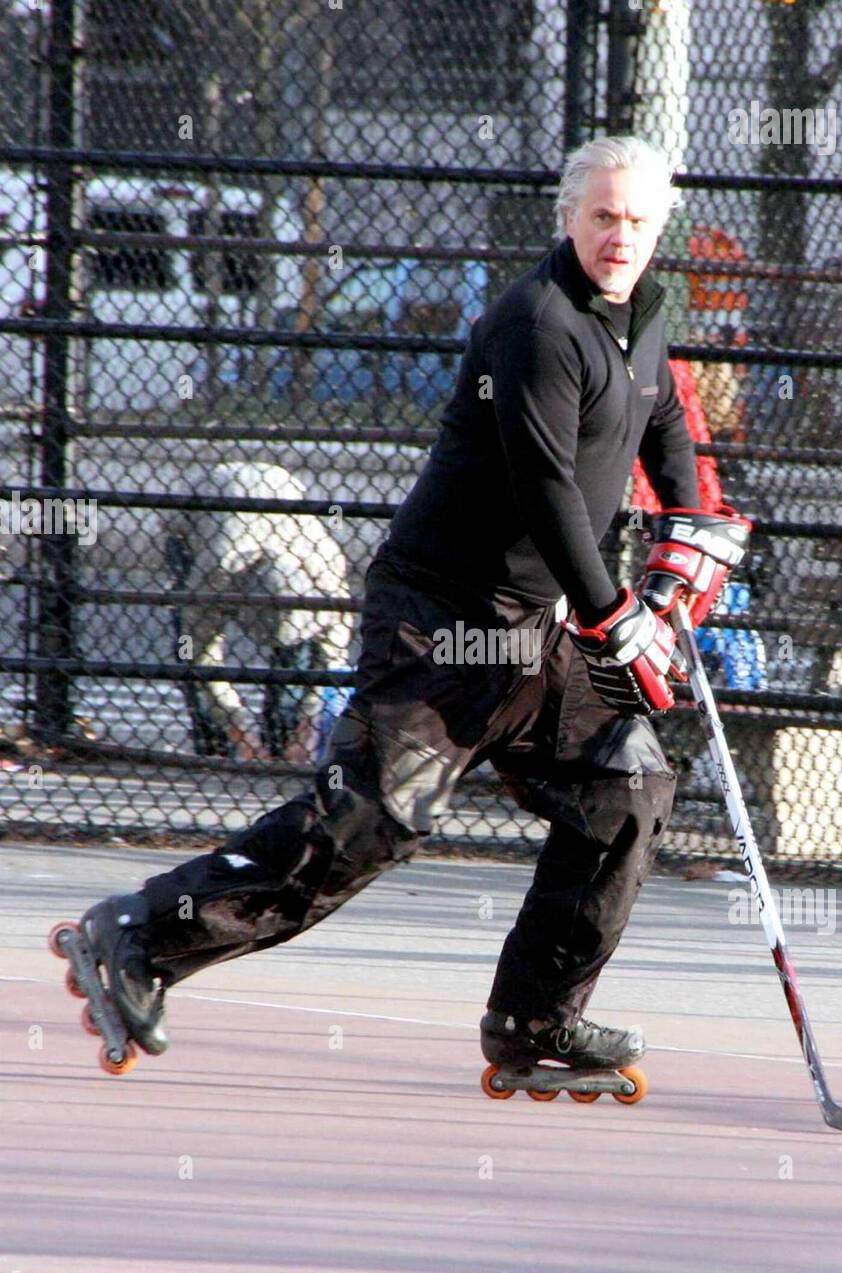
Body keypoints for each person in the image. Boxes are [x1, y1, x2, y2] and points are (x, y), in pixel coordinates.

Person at [72, 136, 749, 1079]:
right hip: (443, 617)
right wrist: (613, 614)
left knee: (622, 790)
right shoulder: (537, 324)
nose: (618, 234)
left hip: (540, 625)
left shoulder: (643, 311)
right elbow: (546, 488)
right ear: (566, 217)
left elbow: (661, 417)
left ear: (659, 223)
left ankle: (534, 1022)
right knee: (370, 822)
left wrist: (688, 528)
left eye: (636, 219)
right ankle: (143, 935)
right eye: (601, 216)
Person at [163, 461, 354, 761]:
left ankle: (284, 735)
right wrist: (243, 736)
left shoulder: (328, 575)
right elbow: (203, 655)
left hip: (278, 493)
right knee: (187, 645)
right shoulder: (215, 573)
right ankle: (214, 742)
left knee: (301, 659)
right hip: (198, 516)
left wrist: (307, 729)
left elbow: (332, 663)